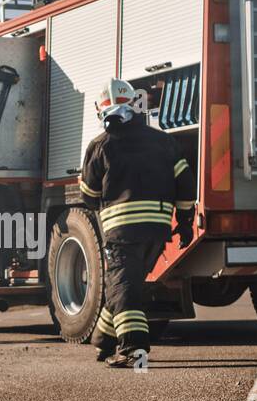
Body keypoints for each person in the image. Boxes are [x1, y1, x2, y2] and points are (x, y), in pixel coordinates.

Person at [79, 79, 195, 367]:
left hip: (120, 232)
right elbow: (185, 183)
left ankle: (134, 349)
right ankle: (104, 341)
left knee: (124, 287)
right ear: (134, 104)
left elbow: (89, 196)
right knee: (124, 284)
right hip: (156, 231)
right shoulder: (164, 140)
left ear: (101, 111)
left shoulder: (100, 145)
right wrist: (184, 219)